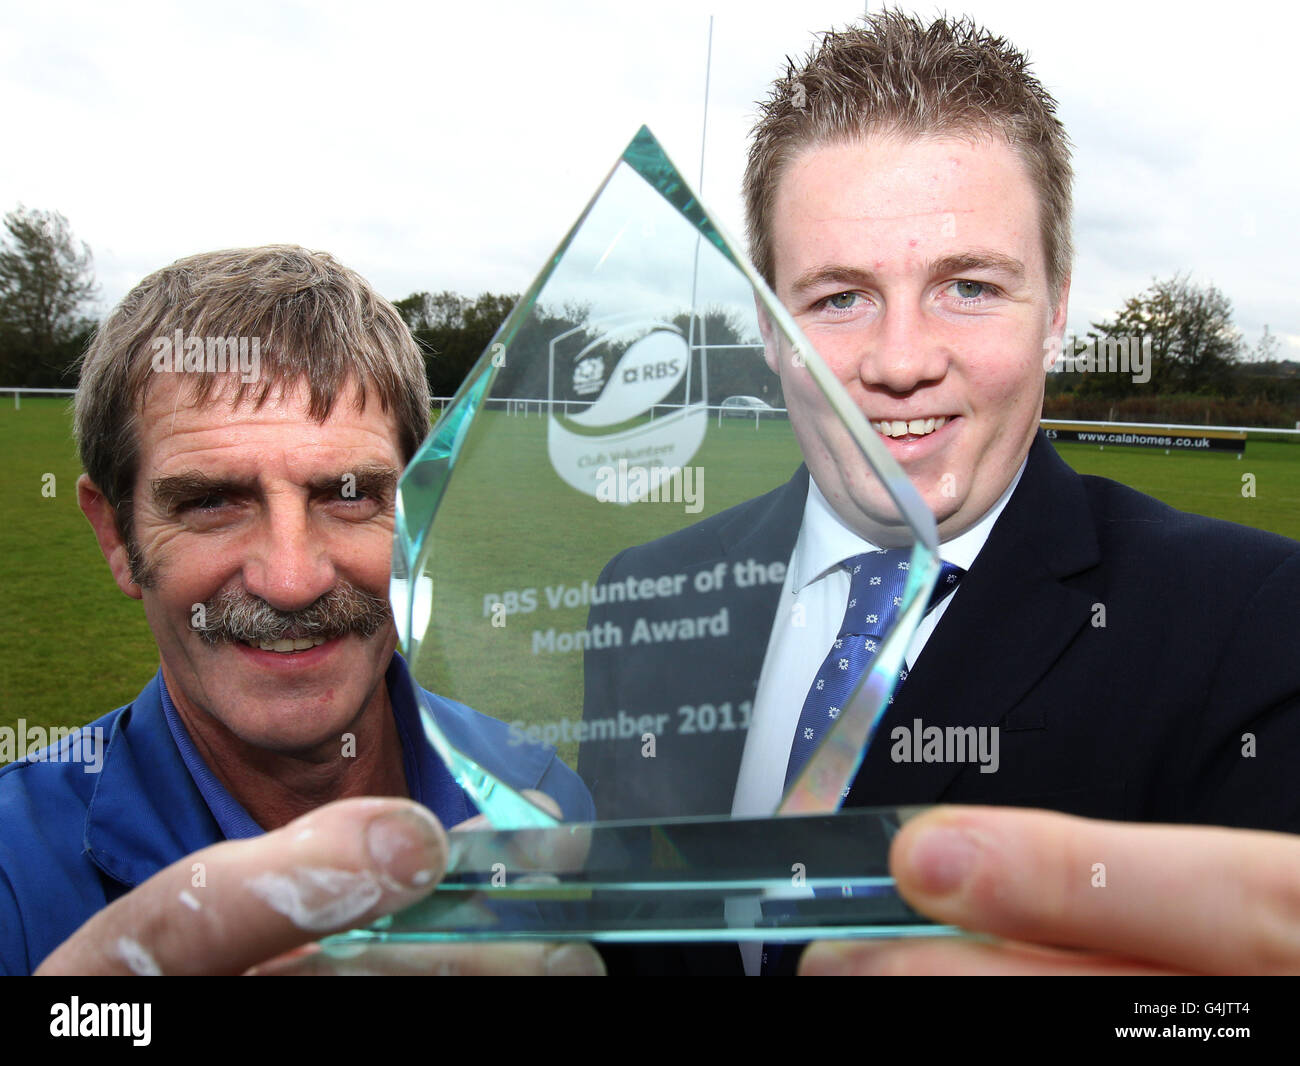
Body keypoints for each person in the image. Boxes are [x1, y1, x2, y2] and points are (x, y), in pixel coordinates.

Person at [579, 11, 1300, 974]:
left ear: (1057, 309)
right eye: (840, 297)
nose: (902, 362)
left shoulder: (1251, 625)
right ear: (766, 324)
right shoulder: (646, 593)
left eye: (968, 286)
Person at [0, 245, 595, 976]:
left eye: (348, 494)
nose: (290, 580)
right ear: (116, 536)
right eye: (211, 501)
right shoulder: (12, 870)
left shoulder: (539, 792)